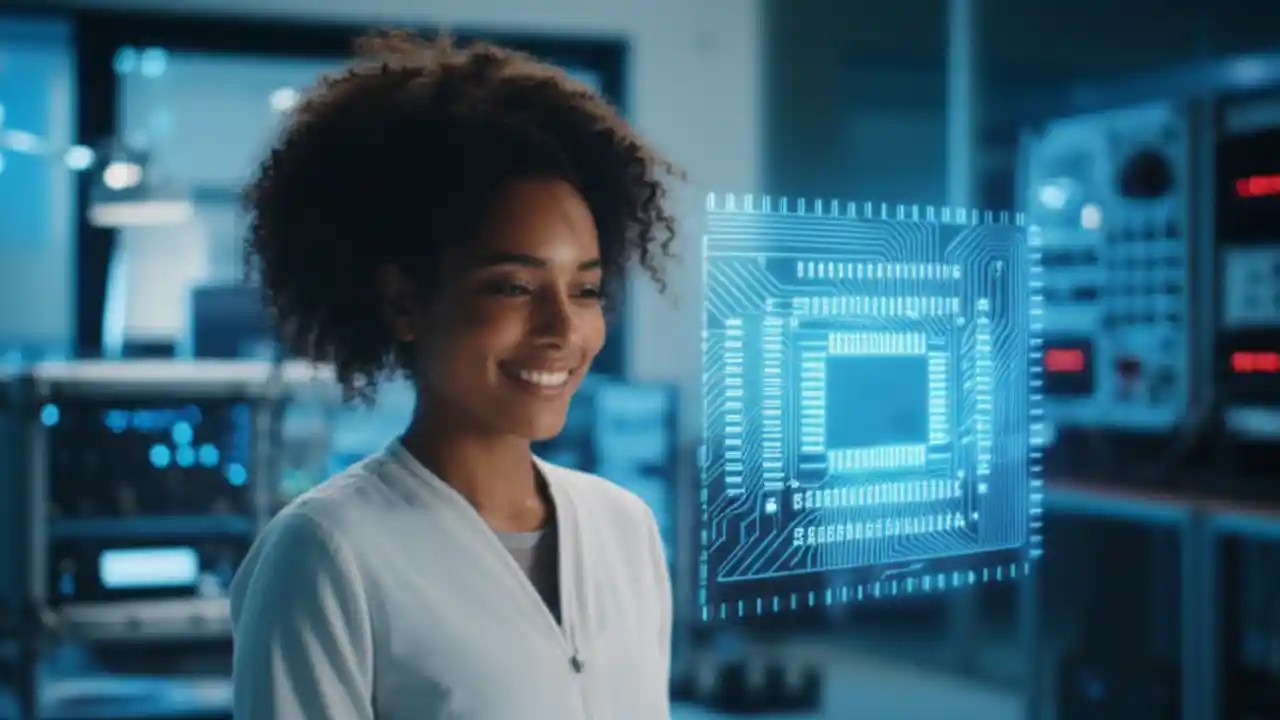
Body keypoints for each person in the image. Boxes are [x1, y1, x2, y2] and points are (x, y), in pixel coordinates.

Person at [230, 31, 680, 719]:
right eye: (512, 288)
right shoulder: (327, 552)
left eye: (585, 291)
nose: (563, 329)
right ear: (404, 302)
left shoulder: (625, 528)